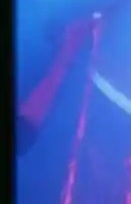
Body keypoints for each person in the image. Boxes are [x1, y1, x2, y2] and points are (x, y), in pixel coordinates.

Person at [16, 20, 94, 156]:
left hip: (25, 126)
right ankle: (71, 40)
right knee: (52, 80)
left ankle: (70, 40)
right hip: (24, 126)